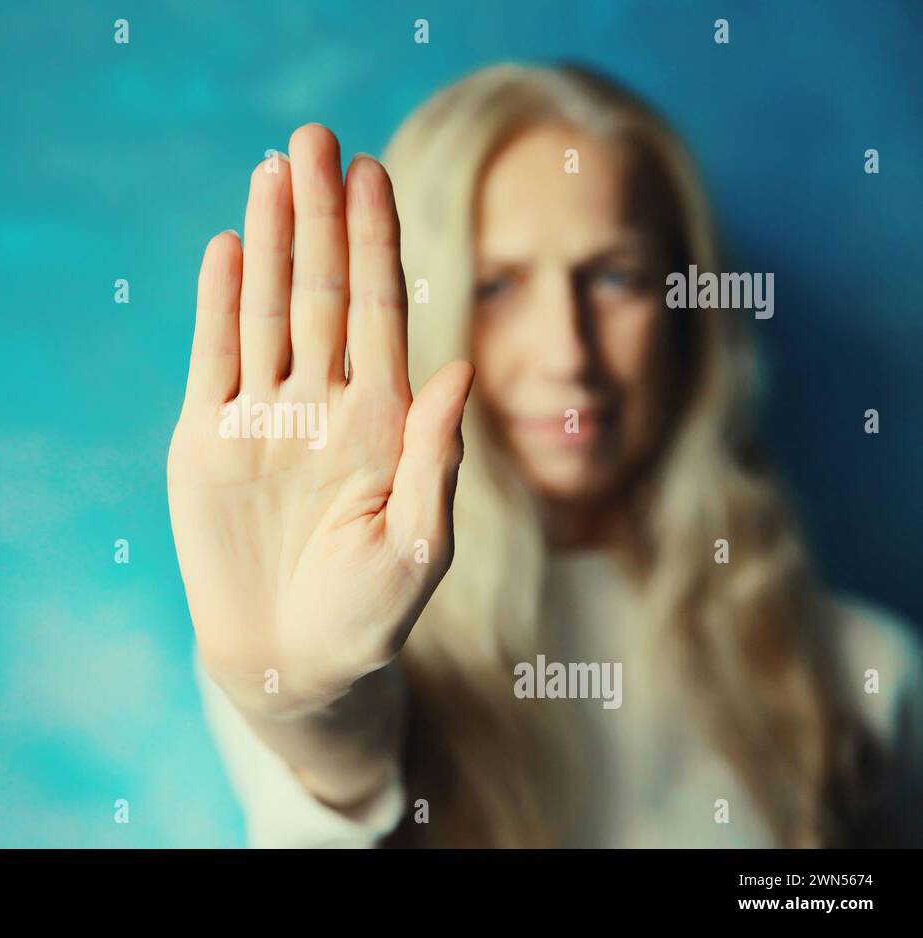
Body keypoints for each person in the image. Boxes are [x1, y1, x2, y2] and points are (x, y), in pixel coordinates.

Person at [166, 64, 922, 848]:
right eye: (495, 286)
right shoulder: (301, 625)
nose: (568, 353)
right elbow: (344, 762)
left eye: (615, 276)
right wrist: (300, 703)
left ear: (688, 317)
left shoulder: (868, 673)